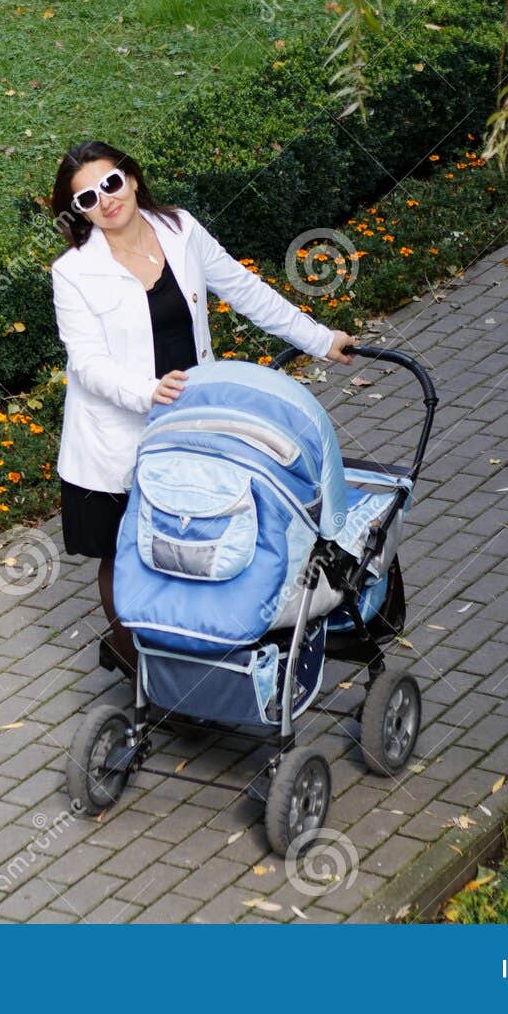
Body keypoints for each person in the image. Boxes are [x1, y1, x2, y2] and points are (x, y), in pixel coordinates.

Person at [48, 140, 356, 677]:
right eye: (87, 199)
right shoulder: (73, 272)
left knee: (191, 534)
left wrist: (319, 338)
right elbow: (87, 365)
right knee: (123, 553)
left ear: (133, 179)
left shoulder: (181, 231)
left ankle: (193, 657)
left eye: (111, 184)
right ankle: (142, 669)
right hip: (114, 438)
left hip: (191, 423)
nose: (105, 201)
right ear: (78, 213)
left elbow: (245, 290)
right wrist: (147, 390)